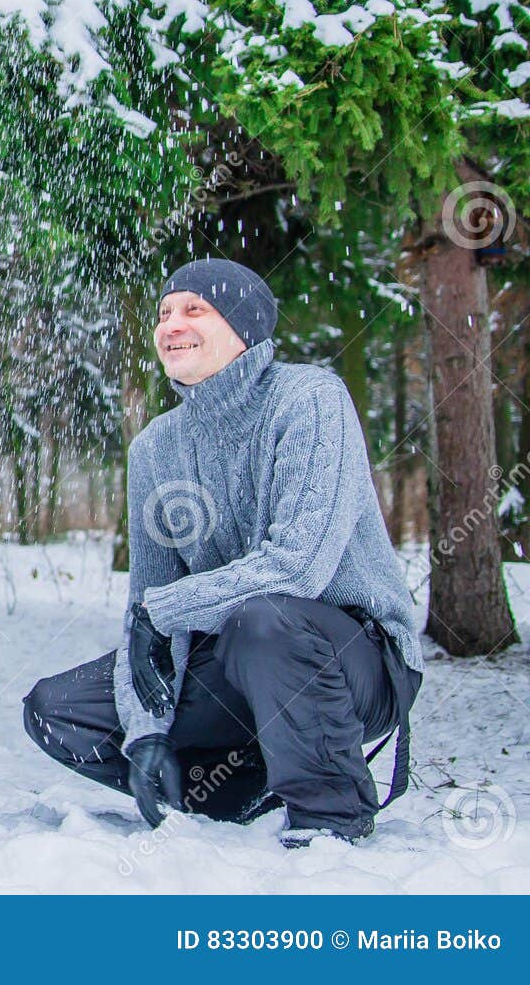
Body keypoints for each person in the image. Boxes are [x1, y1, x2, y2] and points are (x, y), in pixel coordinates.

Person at [23, 257, 423, 846]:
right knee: (54, 708)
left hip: (356, 657)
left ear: (243, 325)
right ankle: (236, 791)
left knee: (264, 618)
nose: (170, 324)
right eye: (163, 313)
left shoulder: (309, 399)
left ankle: (329, 817)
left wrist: (162, 611)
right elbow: (150, 616)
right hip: (239, 658)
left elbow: (298, 567)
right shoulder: (156, 448)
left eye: (194, 308)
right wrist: (146, 732)